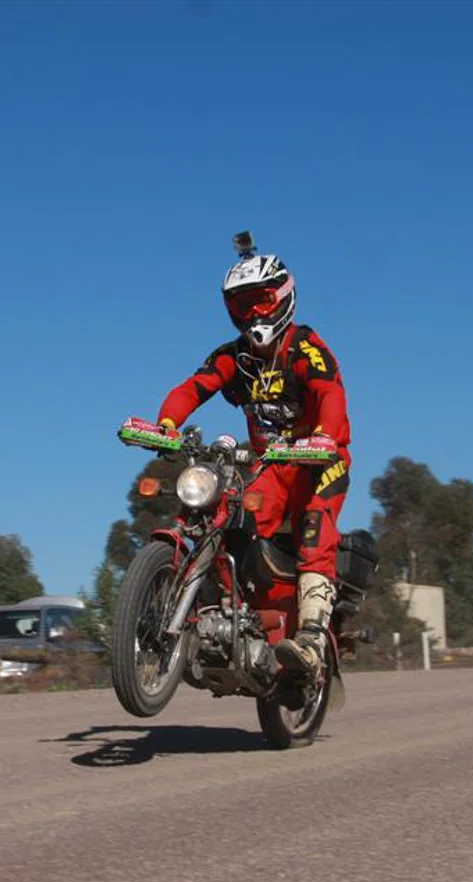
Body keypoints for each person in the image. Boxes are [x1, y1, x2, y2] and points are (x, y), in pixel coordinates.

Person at [151, 232, 351, 678]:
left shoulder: (306, 348)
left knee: (315, 533)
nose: (253, 314)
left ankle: (312, 640)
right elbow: (193, 388)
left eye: (260, 301)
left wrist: (324, 436)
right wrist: (167, 424)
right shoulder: (234, 358)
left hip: (320, 462)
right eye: (242, 306)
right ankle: (234, 615)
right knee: (230, 520)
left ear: (282, 297)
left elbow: (330, 394)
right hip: (270, 467)